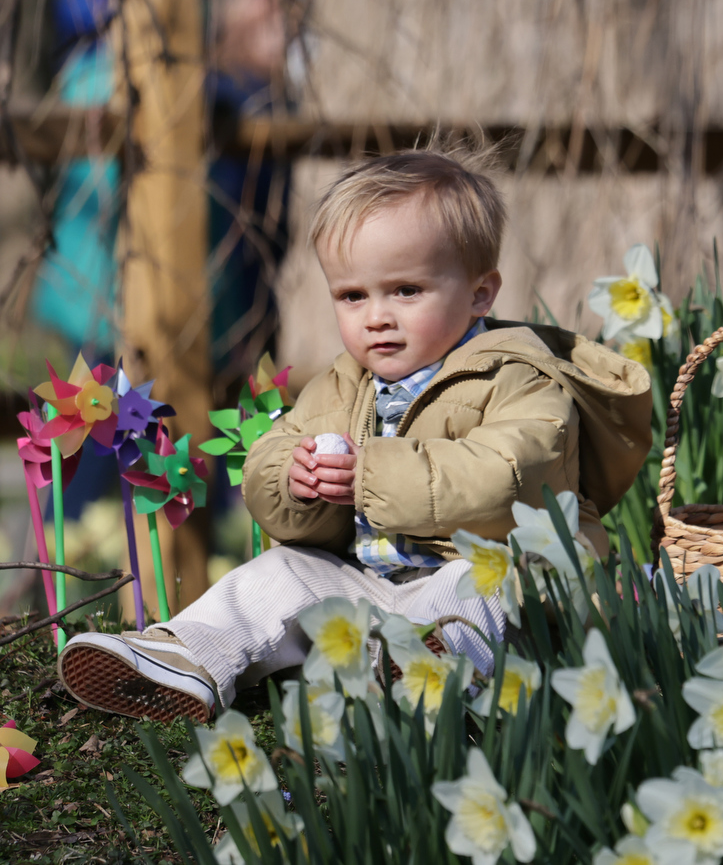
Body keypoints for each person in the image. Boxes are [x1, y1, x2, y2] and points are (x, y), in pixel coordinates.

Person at [57, 150, 654, 721]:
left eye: (406, 290)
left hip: (496, 577)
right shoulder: (342, 385)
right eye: (352, 295)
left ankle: (427, 671)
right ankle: (189, 656)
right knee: (280, 571)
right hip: (372, 585)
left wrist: (368, 475)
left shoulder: (518, 376)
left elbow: (508, 478)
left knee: (479, 584)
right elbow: (272, 464)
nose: (377, 316)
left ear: (480, 293)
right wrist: (295, 482)